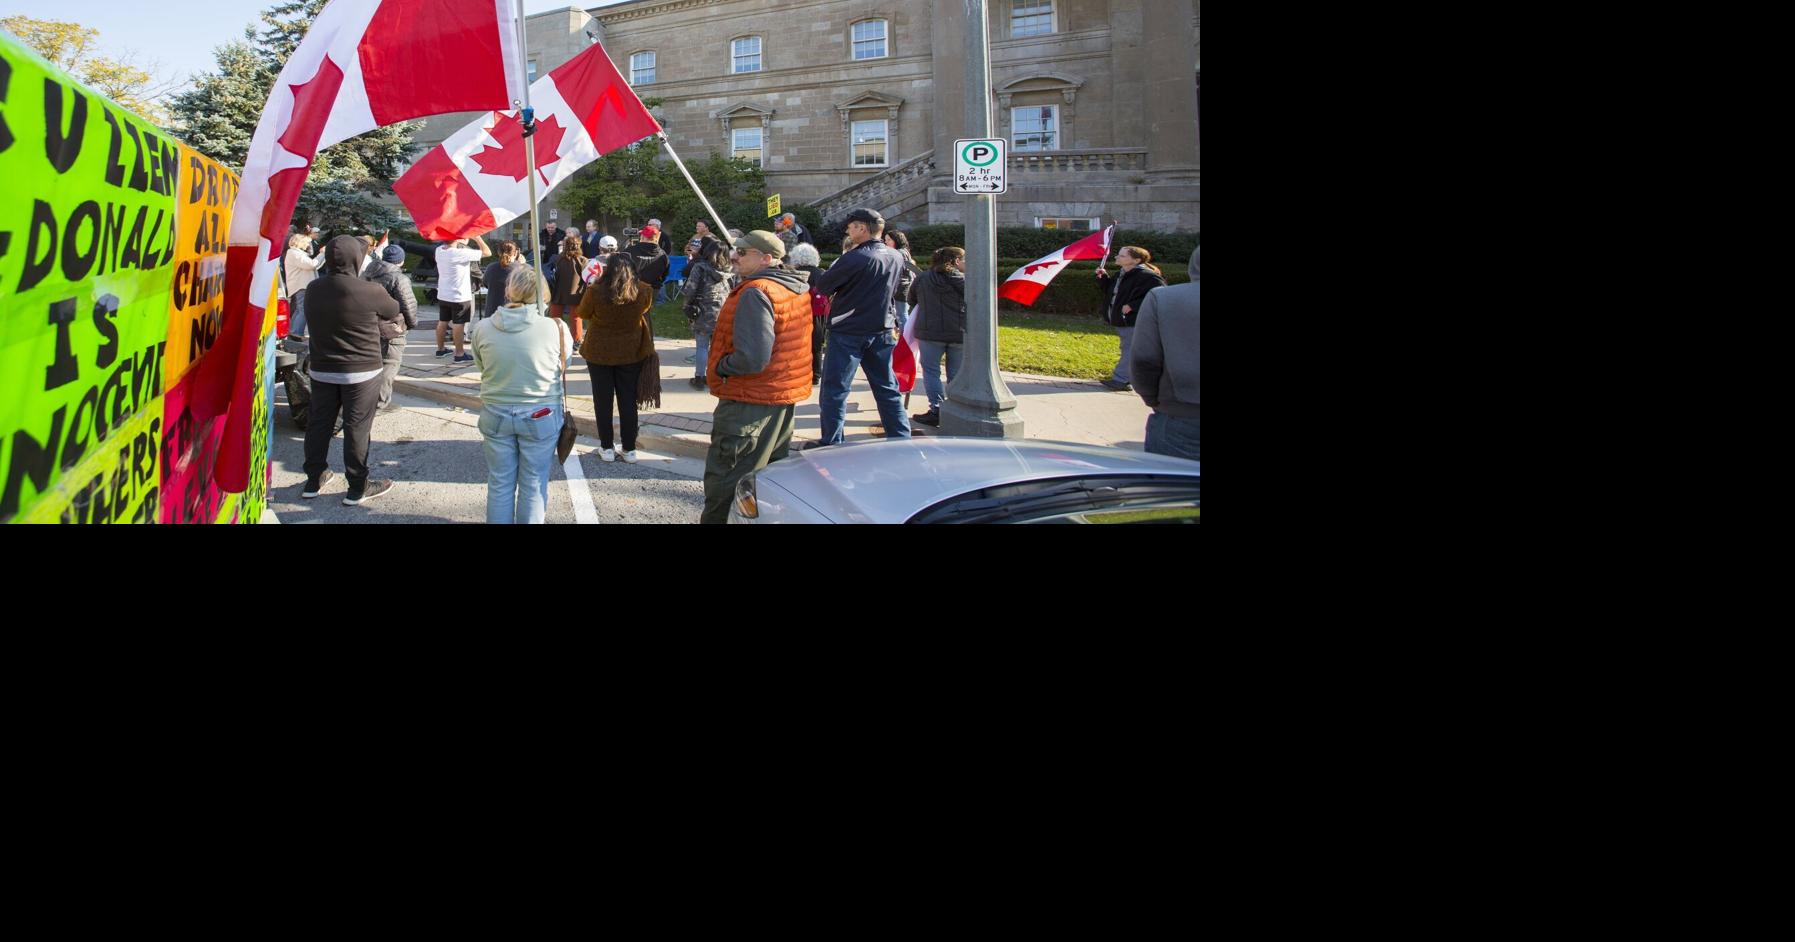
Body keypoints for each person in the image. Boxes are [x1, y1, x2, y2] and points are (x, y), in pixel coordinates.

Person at [700, 231, 814, 525]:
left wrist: (721, 367)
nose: (734, 257)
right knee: (763, 481)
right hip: (778, 397)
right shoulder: (793, 286)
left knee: (727, 482)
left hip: (749, 402)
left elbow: (752, 358)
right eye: (735, 251)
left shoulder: (757, 291)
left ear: (766, 258)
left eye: (743, 252)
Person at [300, 237, 402, 506]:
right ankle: (357, 486)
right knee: (357, 427)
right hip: (362, 371)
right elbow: (393, 310)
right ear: (357, 259)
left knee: (319, 424)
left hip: (322, 368)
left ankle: (313, 479)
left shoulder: (313, 288)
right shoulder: (370, 290)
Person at [472, 267, 573, 525]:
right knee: (534, 482)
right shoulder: (557, 329)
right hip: (541, 412)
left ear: (509, 290)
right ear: (544, 294)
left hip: (496, 410)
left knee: (500, 482)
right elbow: (564, 365)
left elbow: (483, 366)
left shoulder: (482, 328)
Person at [810, 208, 911, 446]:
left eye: (851, 226)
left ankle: (832, 441)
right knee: (887, 387)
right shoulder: (895, 256)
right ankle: (900, 436)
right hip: (882, 327)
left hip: (849, 330)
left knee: (835, 389)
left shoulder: (855, 257)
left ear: (862, 228)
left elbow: (823, 286)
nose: (848, 230)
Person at [578, 249, 660, 463]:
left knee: (602, 401)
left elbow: (583, 313)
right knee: (628, 401)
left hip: (599, 352)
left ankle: (606, 447)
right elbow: (644, 309)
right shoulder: (643, 291)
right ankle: (630, 448)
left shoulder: (595, 291)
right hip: (630, 352)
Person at [1131, 247, 1200, 462]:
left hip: (1181, 417)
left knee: (1174, 492)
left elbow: (1145, 360)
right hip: (1181, 414)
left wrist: (1154, 399)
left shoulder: (1164, 298)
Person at [908, 246, 967, 428]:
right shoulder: (963, 281)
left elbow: (911, 300)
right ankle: (955, 408)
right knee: (955, 373)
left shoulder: (923, 278)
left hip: (929, 332)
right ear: (956, 261)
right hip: (958, 332)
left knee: (931, 372)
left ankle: (936, 409)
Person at [1094, 246, 1168, 392]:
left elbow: (1161, 293)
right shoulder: (1122, 273)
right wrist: (1103, 279)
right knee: (1128, 347)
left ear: (1136, 260)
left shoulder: (1147, 276)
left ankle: (1121, 380)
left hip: (1134, 320)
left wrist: (1134, 305)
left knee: (1129, 349)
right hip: (1123, 319)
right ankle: (1128, 378)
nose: (1117, 257)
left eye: (1122, 256)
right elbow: (1113, 292)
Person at [362, 243, 419, 414]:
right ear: (400, 261)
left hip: (369, 324)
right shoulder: (399, 278)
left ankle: (367, 399)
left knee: (373, 364)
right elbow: (408, 305)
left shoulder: (367, 273)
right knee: (390, 364)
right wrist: (411, 324)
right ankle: (380, 403)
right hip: (392, 328)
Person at [683, 238, 732, 390]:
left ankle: (699, 377)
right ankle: (716, 376)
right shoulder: (730, 269)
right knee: (719, 347)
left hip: (703, 310)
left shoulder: (700, 267)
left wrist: (686, 305)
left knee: (702, 346)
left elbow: (689, 289)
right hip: (724, 309)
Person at [435, 234, 491, 363]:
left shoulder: (439, 250)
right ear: (457, 239)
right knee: (458, 324)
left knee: (442, 321)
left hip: (443, 293)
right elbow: (487, 252)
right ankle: (459, 354)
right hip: (459, 295)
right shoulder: (461, 253)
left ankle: (440, 349)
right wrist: (477, 237)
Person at [788, 242, 830, 388]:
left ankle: (797, 373)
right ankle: (815, 374)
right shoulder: (822, 273)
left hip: (798, 312)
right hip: (818, 313)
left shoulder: (793, 273)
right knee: (817, 344)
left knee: (796, 344)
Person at [283, 232, 327, 339]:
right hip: (301, 285)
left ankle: (294, 333)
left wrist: (322, 256)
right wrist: (322, 254)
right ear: (300, 242)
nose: (308, 245)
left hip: (301, 285)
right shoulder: (294, 253)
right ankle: (296, 333)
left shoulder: (295, 253)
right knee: (302, 310)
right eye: (307, 243)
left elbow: (314, 266)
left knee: (300, 310)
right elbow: (311, 265)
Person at [550, 234, 589, 346]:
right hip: (575, 294)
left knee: (555, 318)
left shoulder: (557, 259)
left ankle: (554, 339)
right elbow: (587, 278)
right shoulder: (583, 261)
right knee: (576, 318)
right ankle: (576, 341)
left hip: (558, 292)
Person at [884, 229, 919, 334]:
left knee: (901, 314)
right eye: (885, 240)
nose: (886, 242)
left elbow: (897, 271)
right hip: (903, 287)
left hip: (901, 288)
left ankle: (905, 338)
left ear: (896, 240)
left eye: (889, 240)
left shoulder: (899, 253)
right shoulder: (904, 251)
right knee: (901, 314)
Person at [481, 241, 527, 319]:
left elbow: (485, 284)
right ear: (516, 253)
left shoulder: (491, 268)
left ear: (498, 253)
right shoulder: (521, 269)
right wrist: (522, 265)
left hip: (492, 314)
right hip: (514, 315)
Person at [624, 225, 671, 297]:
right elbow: (665, 274)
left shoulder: (629, 251)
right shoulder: (663, 255)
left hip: (634, 289)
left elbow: (622, 270)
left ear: (643, 236)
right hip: (654, 290)